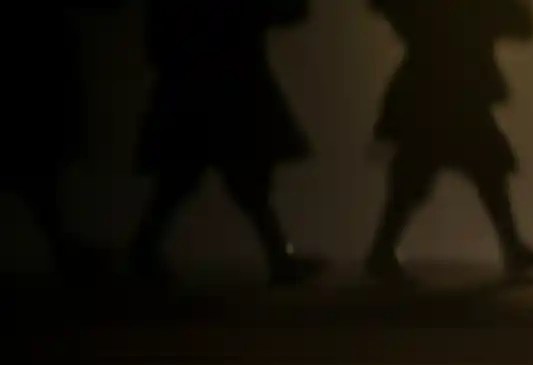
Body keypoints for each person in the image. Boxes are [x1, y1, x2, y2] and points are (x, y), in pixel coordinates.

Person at [366, 0, 533, 284]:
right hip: (449, 88)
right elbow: (520, 26)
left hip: (435, 87)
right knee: (456, 170)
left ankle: (382, 251)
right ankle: (382, 251)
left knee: (477, 171)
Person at [131, 0, 324, 287]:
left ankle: (144, 249)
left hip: (199, 82)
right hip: (232, 83)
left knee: (187, 177)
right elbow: (286, 12)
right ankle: (278, 257)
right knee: (234, 177)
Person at [0, 2, 119, 282]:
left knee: (34, 176)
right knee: (33, 174)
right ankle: (63, 247)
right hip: (33, 84)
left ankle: (63, 246)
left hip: (34, 83)